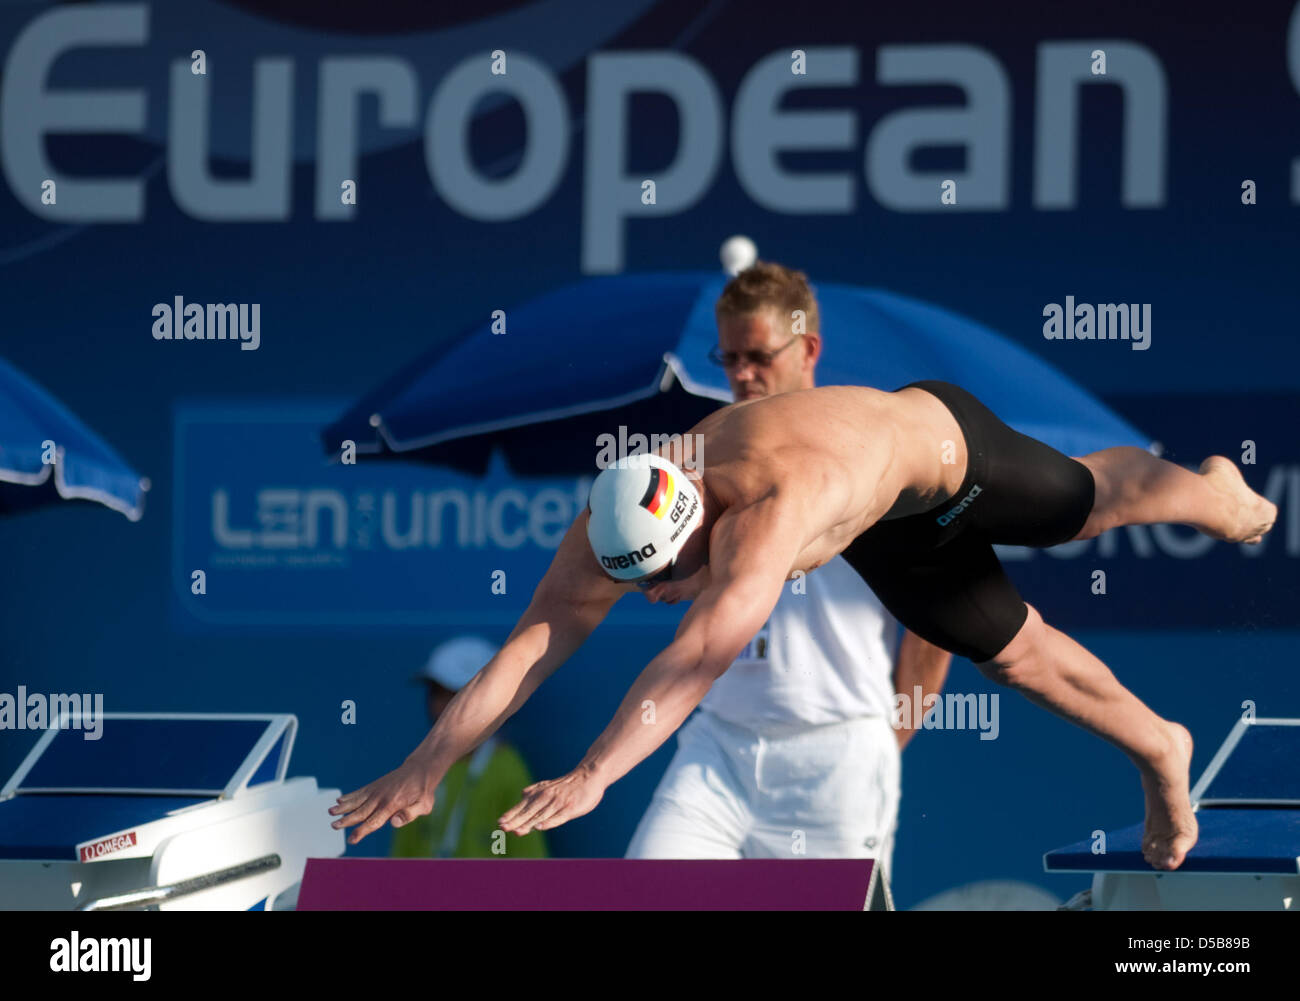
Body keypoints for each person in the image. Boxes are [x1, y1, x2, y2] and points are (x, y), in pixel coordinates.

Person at [333, 374, 1275, 872]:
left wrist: (592, 775)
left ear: (706, 522)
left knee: (1089, 505)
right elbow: (530, 646)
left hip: (943, 453)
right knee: (1017, 658)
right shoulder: (616, 513)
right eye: (643, 583)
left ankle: (1219, 497)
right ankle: (1161, 745)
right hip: (880, 530)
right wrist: (428, 762)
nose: (658, 595)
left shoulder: (767, 515)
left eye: (669, 577)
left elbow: (692, 661)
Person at [624, 262, 951, 872]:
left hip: (838, 760)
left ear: (808, 348)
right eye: (728, 358)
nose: (741, 374)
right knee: (646, 889)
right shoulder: (700, 456)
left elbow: (935, 626)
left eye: (757, 356)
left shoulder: (873, 453)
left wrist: (883, 739)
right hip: (717, 745)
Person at [387, 636, 548, 859]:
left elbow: (530, 861)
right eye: (437, 693)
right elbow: (400, 861)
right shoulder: (417, 771)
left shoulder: (508, 769)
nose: (442, 706)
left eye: (455, 695)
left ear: (490, 700)